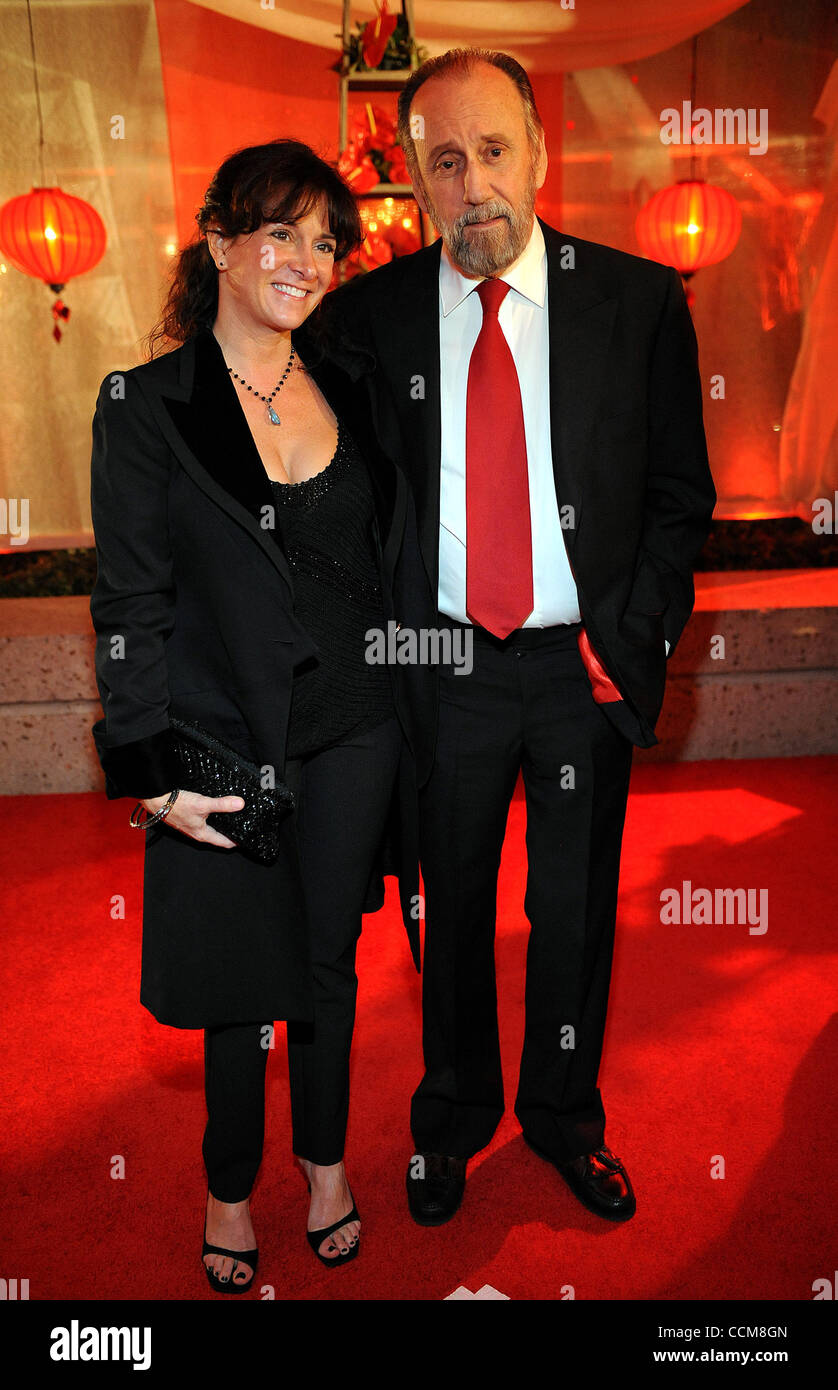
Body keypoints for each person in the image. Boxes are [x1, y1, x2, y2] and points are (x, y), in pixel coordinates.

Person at [323, 49, 716, 1226]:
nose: (474, 181)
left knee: (572, 914)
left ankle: (562, 1115)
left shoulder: (637, 301)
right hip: (436, 668)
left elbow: (674, 497)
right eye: (445, 160)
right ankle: (449, 1119)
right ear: (413, 178)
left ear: (539, 154)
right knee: (444, 909)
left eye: (494, 150)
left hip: (570, 669)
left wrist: (626, 636)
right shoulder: (365, 320)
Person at [89, 139, 424, 1290]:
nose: (306, 258)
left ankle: (324, 1163)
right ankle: (230, 1187)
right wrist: (148, 765)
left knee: (328, 961)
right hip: (226, 739)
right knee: (243, 981)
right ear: (222, 242)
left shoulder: (352, 382)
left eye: (325, 239)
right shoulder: (148, 404)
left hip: (361, 727)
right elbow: (129, 596)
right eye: (280, 231)